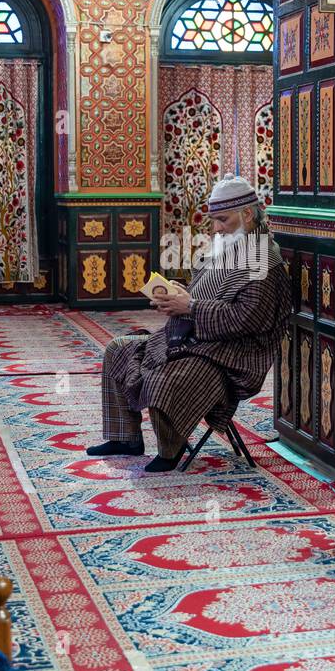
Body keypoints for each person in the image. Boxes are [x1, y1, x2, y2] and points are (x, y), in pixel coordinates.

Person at [87, 176, 293, 473]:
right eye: (214, 220)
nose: (217, 228)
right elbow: (205, 291)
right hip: (195, 340)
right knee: (119, 349)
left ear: (247, 214)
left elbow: (248, 320)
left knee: (165, 377)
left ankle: (170, 449)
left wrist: (190, 307)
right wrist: (177, 294)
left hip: (231, 356)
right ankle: (125, 438)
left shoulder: (265, 261)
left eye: (222, 220)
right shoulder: (229, 247)